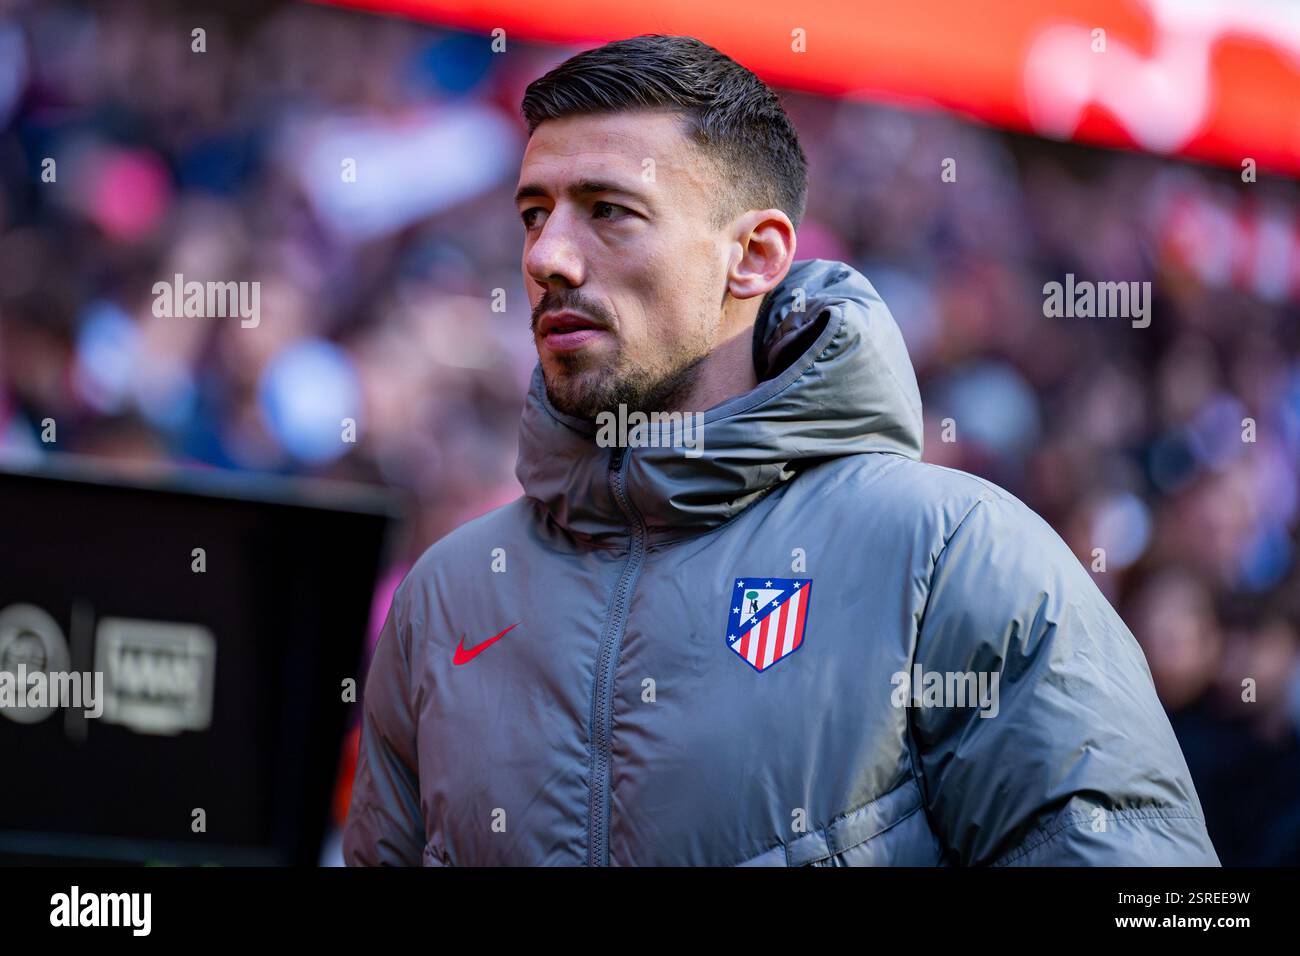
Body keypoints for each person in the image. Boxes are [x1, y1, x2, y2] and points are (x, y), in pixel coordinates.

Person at [342, 34, 1219, 866]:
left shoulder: (955, 555)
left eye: (609, 212)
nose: (549, 256)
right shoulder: (445, 598)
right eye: (535, 214)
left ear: (755, 257)